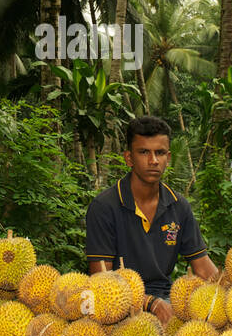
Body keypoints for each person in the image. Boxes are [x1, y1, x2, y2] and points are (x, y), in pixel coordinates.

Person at [85, 115, 218, 321]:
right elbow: (102, 281)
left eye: (160, 153)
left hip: (166, 298)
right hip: (117, 306)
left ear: (168, 158)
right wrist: (149, 303)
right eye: (144, 152)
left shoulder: (178, 206)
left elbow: (202, 268)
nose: (153, 160)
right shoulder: (104, 207)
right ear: (129, 158)